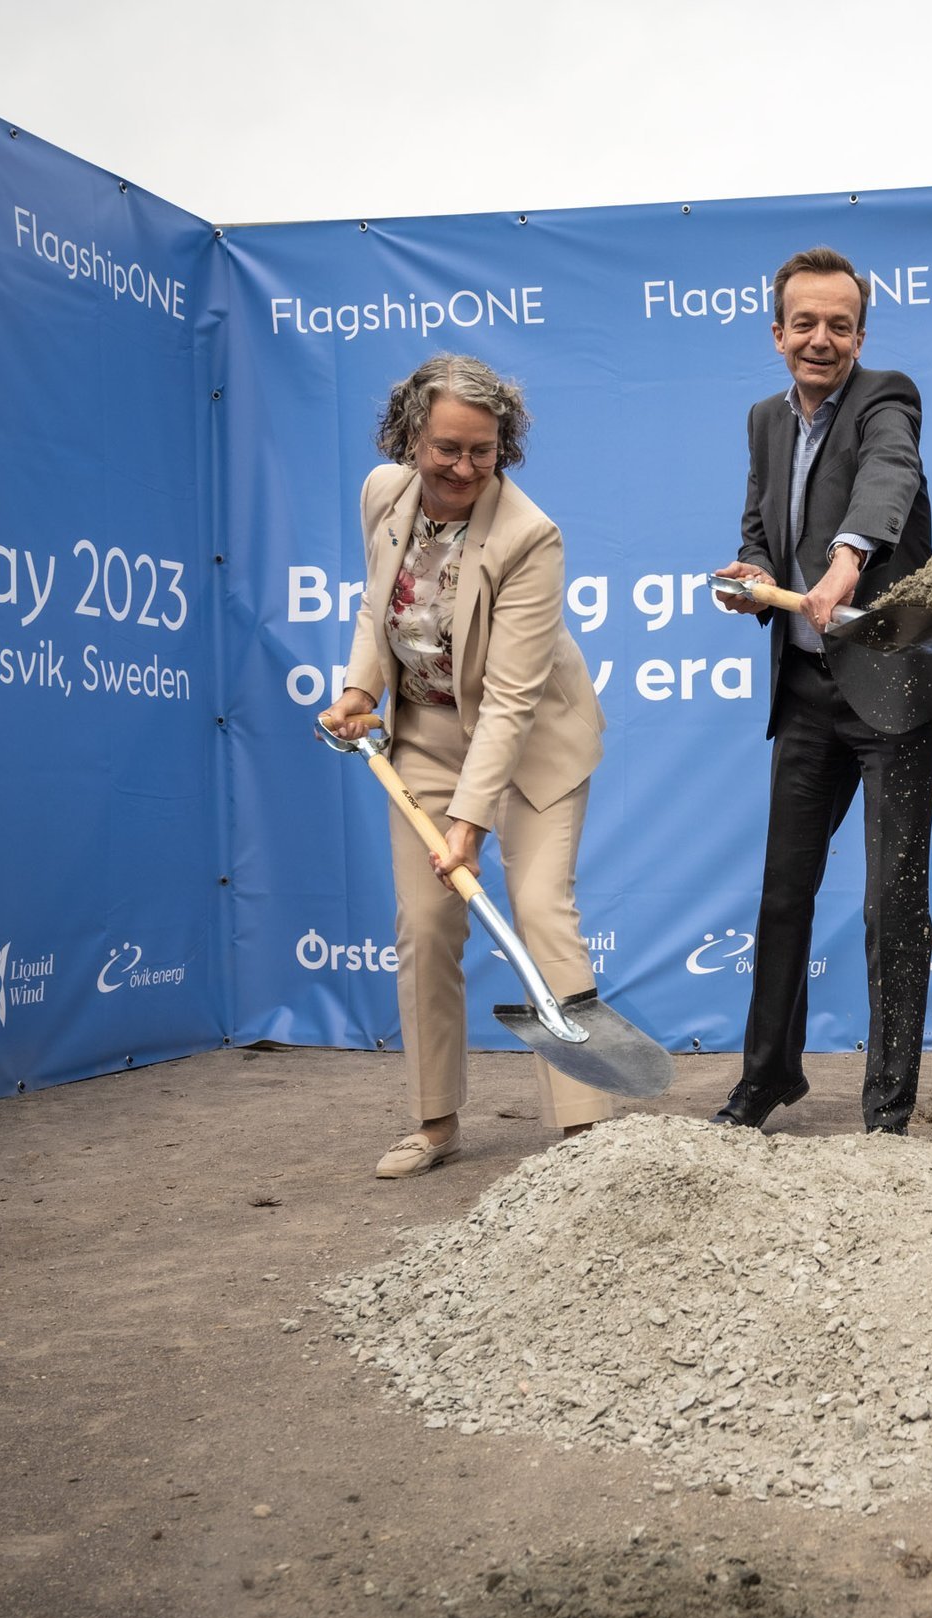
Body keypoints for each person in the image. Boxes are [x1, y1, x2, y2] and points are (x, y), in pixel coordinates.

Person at [319, 354, 609, 1179]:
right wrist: (355, 691)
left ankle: (586, 1134)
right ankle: (434, 1121)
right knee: (424, 922)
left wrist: (468, 826)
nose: (463, 467)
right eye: (447, 447)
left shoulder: (530, 536)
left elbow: (513, 702)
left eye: (482, 450)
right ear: (411, 437)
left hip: (533, 746)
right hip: (426, 735)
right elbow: (380, 604)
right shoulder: (383, 495)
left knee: (540, 908)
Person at [710, 247, 932, 1135]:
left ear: (861, 334)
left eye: (840, 324)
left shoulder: (888, 396)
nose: (823, 340)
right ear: (777, 334)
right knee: (784, 893)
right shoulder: (764, 423)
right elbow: (762, 532)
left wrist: (848, 559)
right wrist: (755, 574)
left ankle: (887, 1108)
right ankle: (767, 1077)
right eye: (805, 323)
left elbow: (888, 477)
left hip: (895, 691)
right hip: (808, 688)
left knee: (893, 902)